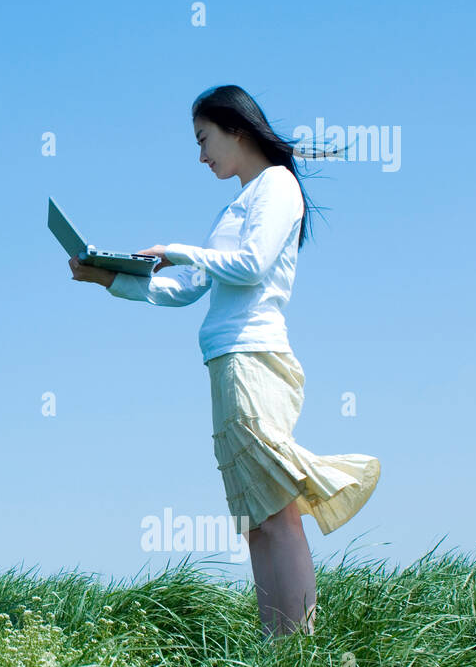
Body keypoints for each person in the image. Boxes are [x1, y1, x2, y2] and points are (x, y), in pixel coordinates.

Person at [68, 84, 380, 639]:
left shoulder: (277, 187)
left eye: (204, 138)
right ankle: (275, 648)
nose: (201, 154)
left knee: (277, 512)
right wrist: (108, 276)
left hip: (254, 355)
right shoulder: (236, 204)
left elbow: (252, 264)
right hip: (225, 360)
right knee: (257, 519)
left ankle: (299, 649)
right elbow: (186, 289)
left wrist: (180, 247)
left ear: (235, 129)